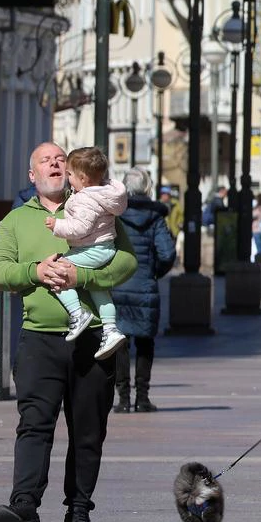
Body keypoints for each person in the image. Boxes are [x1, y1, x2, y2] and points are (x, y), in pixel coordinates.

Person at [0, 142, 138, 522]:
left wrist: (82, 278)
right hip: (39, 340)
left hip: (92, 342)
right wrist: (36, 271)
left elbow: (126, 261)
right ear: (32, 176)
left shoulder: (95, 204)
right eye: (44, 161)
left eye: (60, 159)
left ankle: (80, 512)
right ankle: (24, 508)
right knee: (34, 425)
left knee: (88, 430)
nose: (55, 164)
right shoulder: (16, 221)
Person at [43, 147, 130, 361]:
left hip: (92, 249)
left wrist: (57, 225)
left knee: (58, 271)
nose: (67, 178)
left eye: (70, 174)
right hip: (104, 247)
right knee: (98, 289)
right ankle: (110, 330)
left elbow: (80, 227)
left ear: (82, 178)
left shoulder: (85, 199)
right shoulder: (104, 193)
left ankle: (77, 313)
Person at [111, 168, 175, 414]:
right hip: (145, 287)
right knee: (145, 343)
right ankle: (143, 398)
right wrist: (154, 272)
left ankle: (124, 399)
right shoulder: (155, 218)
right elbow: (167, 252)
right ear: (148, 188)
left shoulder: (117, 215)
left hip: (118, 286)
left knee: (120, 344)